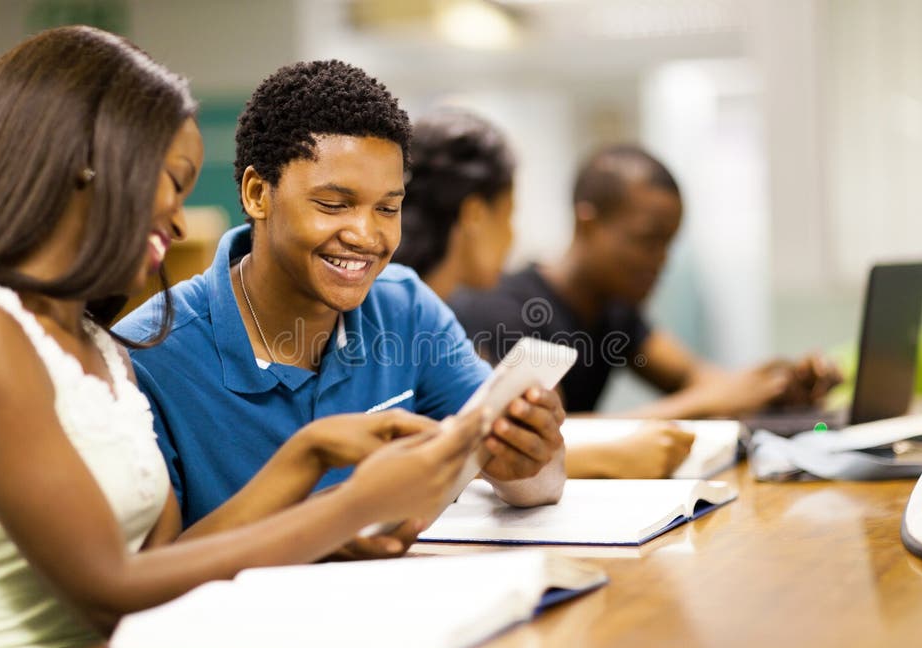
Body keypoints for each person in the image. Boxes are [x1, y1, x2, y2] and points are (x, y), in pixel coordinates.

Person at [0, 27, 489, 648]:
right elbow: (109, 593)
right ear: (83, 174)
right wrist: (351, 506)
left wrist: (308, 456)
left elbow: (169, 566)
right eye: (171, 182)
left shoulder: (102, 349)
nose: (180, 220)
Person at [114, 62, 566, 540]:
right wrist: (323, 533)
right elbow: (149, 574)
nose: (366, 236)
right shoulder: (148, 355)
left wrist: (530, 462)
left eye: (388, 209)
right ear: (256, 193)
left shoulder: (405, 307)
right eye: (333, 205)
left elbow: (537, 482)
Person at [395, 109, 693, 479]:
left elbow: (483, 443)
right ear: (474, 215)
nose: (513, 237)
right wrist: (608, 456)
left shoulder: (435, 322)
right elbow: (453, 460)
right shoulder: (413, 312)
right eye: (509, 215)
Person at [450, 143, 841, 421]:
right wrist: (708, 403)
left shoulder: (616, 309)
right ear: (588, 224)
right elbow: (550, 436)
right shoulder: (506, 310)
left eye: (668, 244)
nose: (661, 260)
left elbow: (696, 378)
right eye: (647, 241)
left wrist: (780, 384)